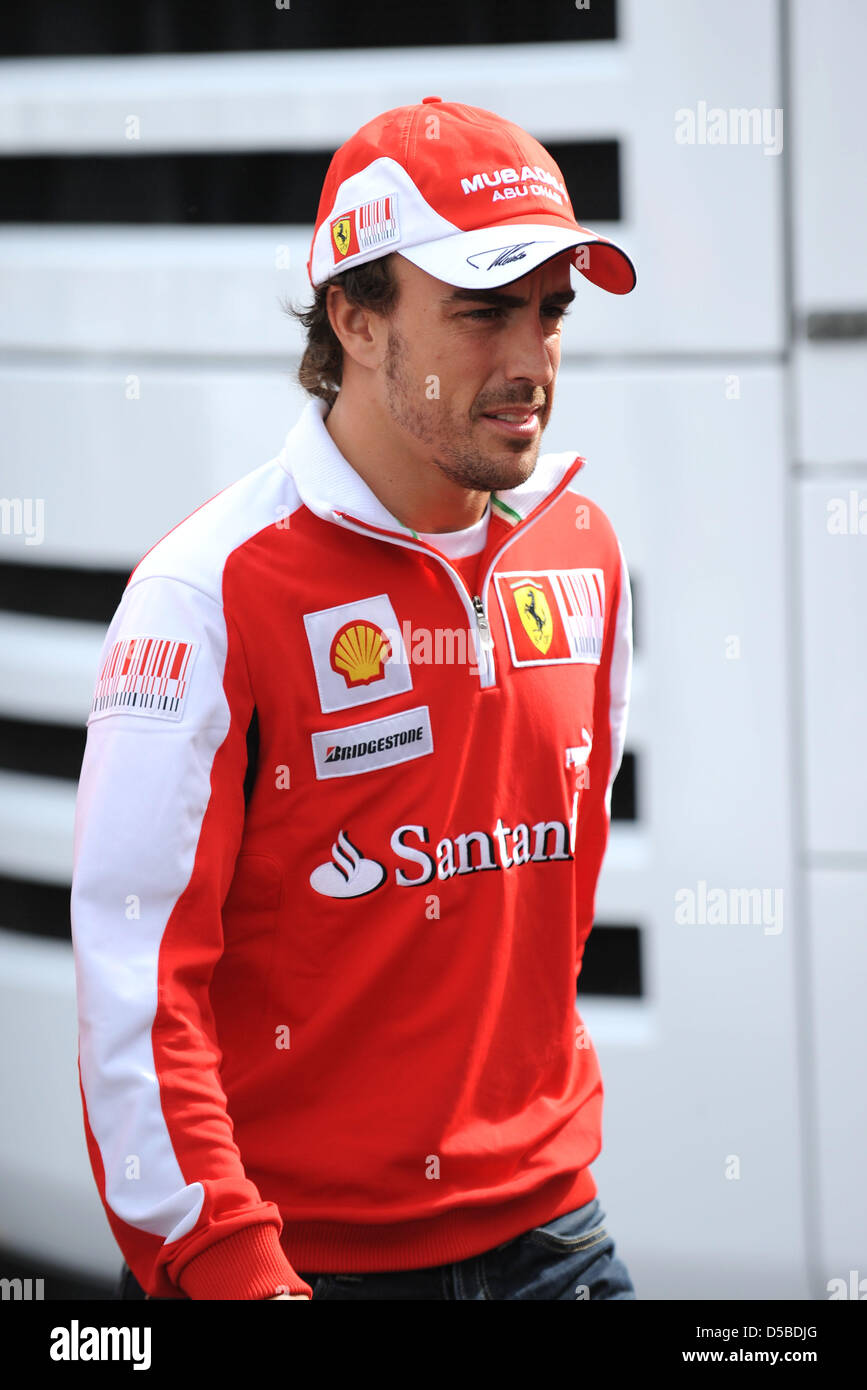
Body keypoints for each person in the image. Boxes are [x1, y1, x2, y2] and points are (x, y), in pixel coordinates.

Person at [71, 97, 637, 1301]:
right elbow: (135, 988)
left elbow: (556, 903)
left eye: (550, 312)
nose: (530, 358)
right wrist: (233, 1267)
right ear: (356, 318)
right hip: (299, 1260)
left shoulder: (584, 549)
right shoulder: (205, 591)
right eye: (483, 311)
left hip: (557, 1238)